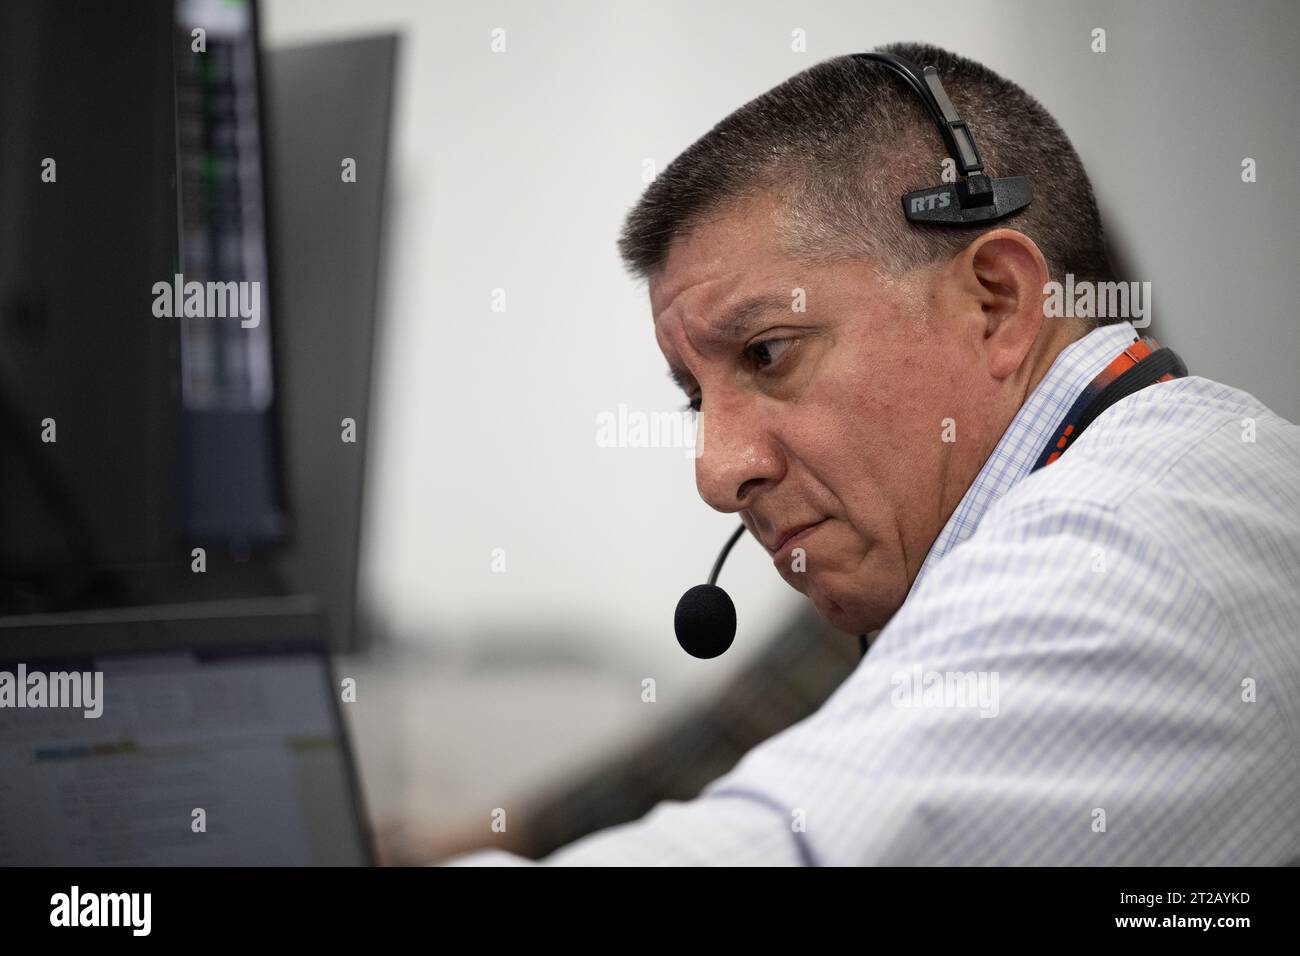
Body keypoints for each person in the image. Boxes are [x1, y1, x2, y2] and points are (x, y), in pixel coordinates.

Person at [446, 42, 1300, 865]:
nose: (715, 473)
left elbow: (796, 851)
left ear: (996, 304)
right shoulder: (1153, 478)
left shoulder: (1125, 548)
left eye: (768, 352)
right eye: (695, 396)